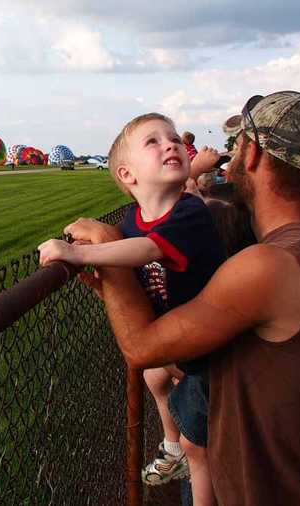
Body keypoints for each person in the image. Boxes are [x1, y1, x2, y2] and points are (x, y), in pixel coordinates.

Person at [64, 91, 300, 505]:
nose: (229, 154)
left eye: (238, 144)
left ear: (255, 156)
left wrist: (104, 248)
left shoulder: (268, 267)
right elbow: (209, 360)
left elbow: (140, 347)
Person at [38, 113, 226, 505]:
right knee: (192, 437)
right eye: (153, 142)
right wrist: (102, 283)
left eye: (173, 138)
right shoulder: (131, 222)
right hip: (186, 350)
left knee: (200, 450)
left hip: (214, 356)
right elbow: (140, 286)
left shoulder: (188, 212)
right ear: (128, 175)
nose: (171, 144)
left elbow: (149, 251)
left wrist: (78, 252)